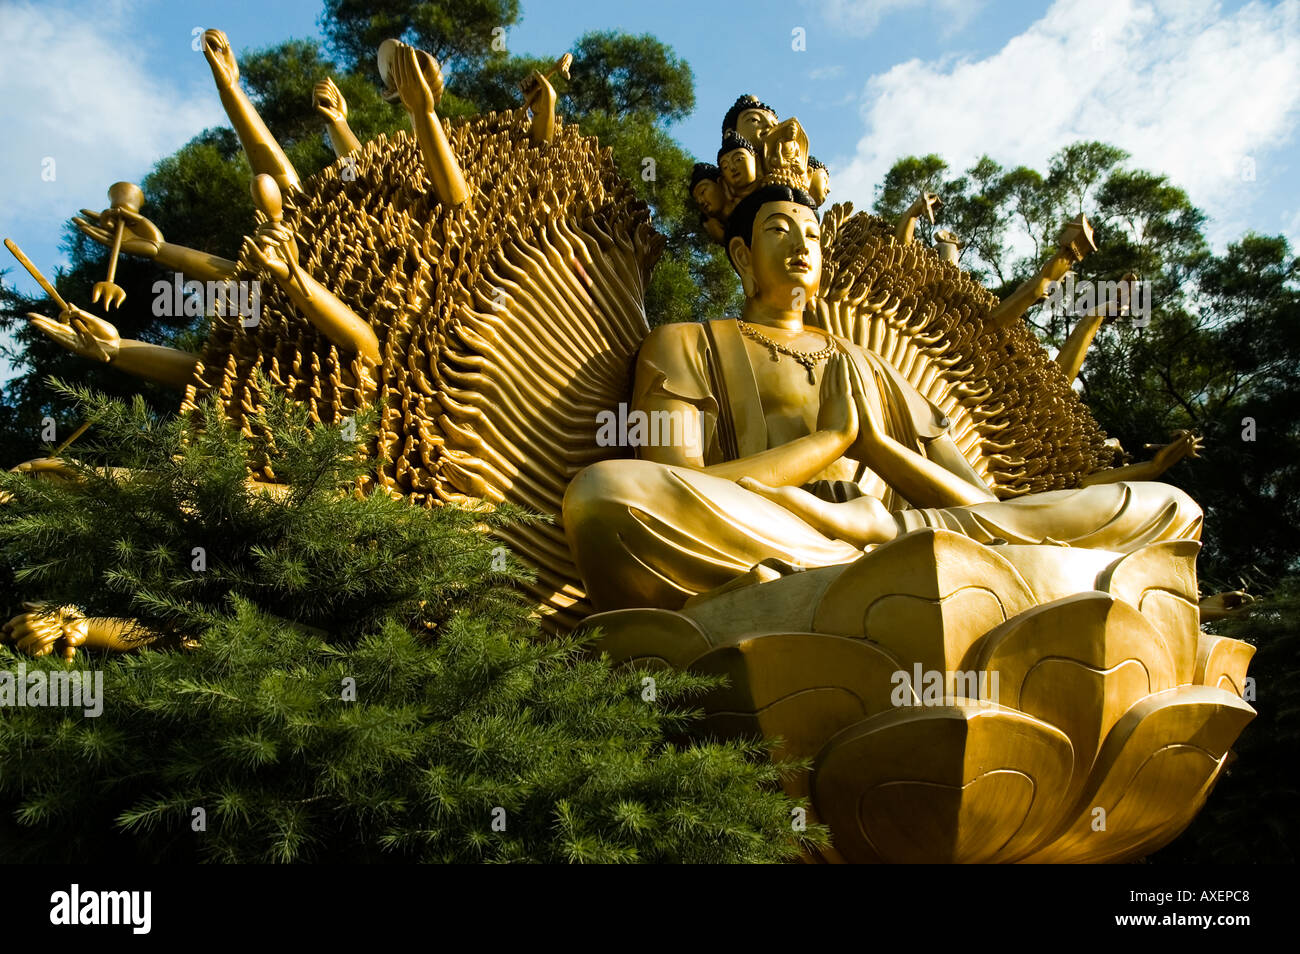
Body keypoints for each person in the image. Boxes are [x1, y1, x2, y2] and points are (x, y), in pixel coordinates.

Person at [562, 185, 1201, 611]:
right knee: (607, 497)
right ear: (741, 255)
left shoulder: (868, 364)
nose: (800, 244)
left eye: (811, 233)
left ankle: (899, 568)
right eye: (779, 230)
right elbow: (682, 488)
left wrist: (879, 450)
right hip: (775, 533)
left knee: (1164, 507)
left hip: (906, 533)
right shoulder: (683, 344)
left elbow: (982, 504)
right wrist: (827, 444)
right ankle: (873, 574)